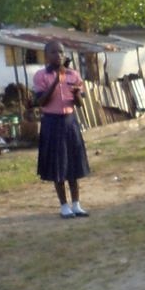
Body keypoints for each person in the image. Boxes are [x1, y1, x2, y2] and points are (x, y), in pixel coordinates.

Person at [33, 41, 91, 219]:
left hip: (69, 122)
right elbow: (40, 102)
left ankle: (76, 204)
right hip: (52, 122)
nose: (58, 55)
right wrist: (56, 81)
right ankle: (64, 205)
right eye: (53, 52)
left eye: (61, 52)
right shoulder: (41, 76)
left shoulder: (73, 75)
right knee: (58, 165)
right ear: (46, 55)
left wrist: (76, 94)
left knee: (73, 164)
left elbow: (80, 104)